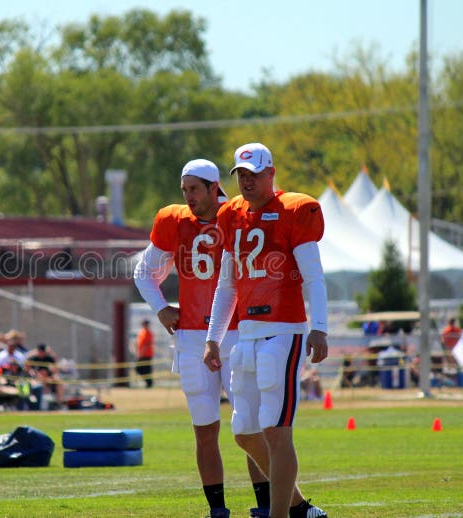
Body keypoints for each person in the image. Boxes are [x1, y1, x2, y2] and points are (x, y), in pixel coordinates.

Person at [134, 158, 316, 518]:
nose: (188, 197)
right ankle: (218, 509)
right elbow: (143, 271)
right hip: (190, 336)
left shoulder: (235, 214)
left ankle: (267, 505)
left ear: (214, 187)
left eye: (194, 189)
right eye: (184, 190)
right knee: (204, 427)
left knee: (251, 426)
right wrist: (160, 307)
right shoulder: (174, 221)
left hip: (236, 333)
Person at [204, 143, 329, 518]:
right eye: (241, 175)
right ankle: (299, 508)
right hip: (248, 333)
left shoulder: (294, 210)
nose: (246, 181)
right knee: (244, 430)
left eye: (253, 174)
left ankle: (280, 515)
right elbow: (227, 285)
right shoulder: (232, 216)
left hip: (284, 331)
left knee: (276, 430)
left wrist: (319, 328)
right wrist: (213, 336)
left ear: (270, 173)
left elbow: (313, 277)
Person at [26, 343, 65, 408]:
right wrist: (36, 375)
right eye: (40, 351)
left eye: (43, 351)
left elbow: (55, 369)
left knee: (59, 382)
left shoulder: (49, 358)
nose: (41, 353)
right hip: (36, 379)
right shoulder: (33, 358)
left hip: (49, 379)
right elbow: (29, 370)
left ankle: (59, 403)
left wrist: (51, 376)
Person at [135, 320, 154, 388]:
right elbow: (138, 343)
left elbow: (147, 344)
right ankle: (148, 382)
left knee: (146, 370)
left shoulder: (148, 333)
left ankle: (149, 383)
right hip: (141, 354)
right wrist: (138, 353)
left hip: (146, 355)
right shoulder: (141, 332)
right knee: (139, 369)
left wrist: (141, 354)